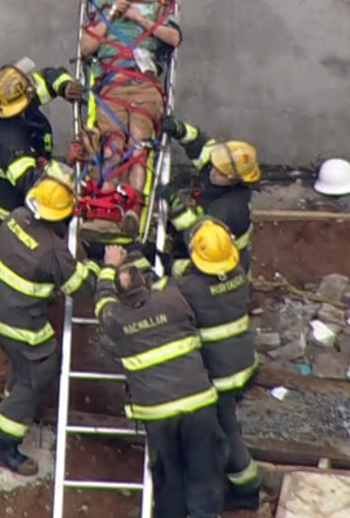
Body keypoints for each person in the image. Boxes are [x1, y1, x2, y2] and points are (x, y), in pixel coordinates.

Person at [0, 161, 97, 476]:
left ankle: (13, 403)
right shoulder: (53, 253)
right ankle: (4, 444)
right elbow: (82, 287)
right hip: (21, 324)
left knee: (22, 365)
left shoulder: (17, 218)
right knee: (40, 371)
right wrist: (104, 266)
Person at [94, 244, 226, 518]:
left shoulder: (115, 319)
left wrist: (109, 265)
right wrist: (137, 257)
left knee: (168, 471)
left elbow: (102, 301)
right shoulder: (173, 300)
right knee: (204, 466)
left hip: (157, 412)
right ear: (145, 283)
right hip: (197, 402)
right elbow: (162, 284)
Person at [76, 0, 182, 227]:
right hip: (113, 84)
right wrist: (111, 14)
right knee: (112, 145)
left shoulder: (155, 5)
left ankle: (133, 208)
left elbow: (174, 38)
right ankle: (106, 209)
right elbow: (86, 48)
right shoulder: (103, 5)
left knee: (139, 145)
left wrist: (139, 18)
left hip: (145, 84)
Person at [174, 219, 261, 510]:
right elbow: (196, 278)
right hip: (244, 365)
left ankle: (247, 489)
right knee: (228, 420)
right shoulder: (238, 274)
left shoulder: (190, 289)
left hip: (220, 375)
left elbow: (169, 292)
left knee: (224, 433)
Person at [156, 115, 260, 273]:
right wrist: (180, 130)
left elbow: (197, 232)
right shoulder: (222, 165)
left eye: (219, 172)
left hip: (217, 263)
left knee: (177, 273)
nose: (211, 172)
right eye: (214, 166)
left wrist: (176, 206)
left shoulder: (229, 210)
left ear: (234, 180)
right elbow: (202, 146)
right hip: (204, 240)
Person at [0, 59, 84, 221]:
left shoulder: (10, 102)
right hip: (19, 210)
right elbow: (35, 183)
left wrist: (65, 86)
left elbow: (47, 77)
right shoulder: (9, 144)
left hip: (32, 170)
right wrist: (66, 163)